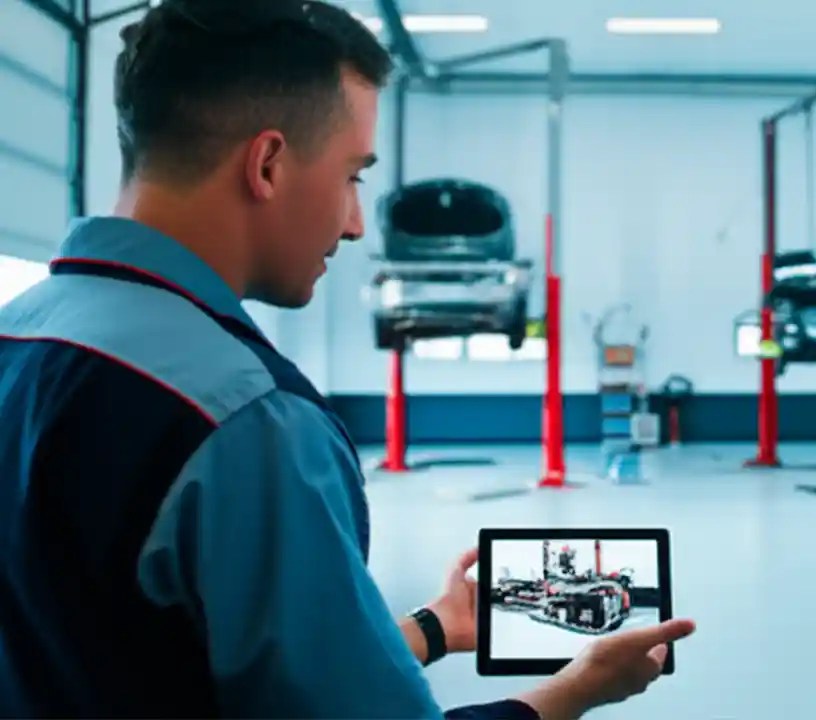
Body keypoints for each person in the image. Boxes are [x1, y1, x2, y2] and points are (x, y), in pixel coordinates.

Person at [0, 0, 694, 717]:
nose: (358, 222)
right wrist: (573, 691)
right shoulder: (249, 419)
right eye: (354, 175)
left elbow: (141, 656)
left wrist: (429, 629)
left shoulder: (19, 337)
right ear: (267, 163)